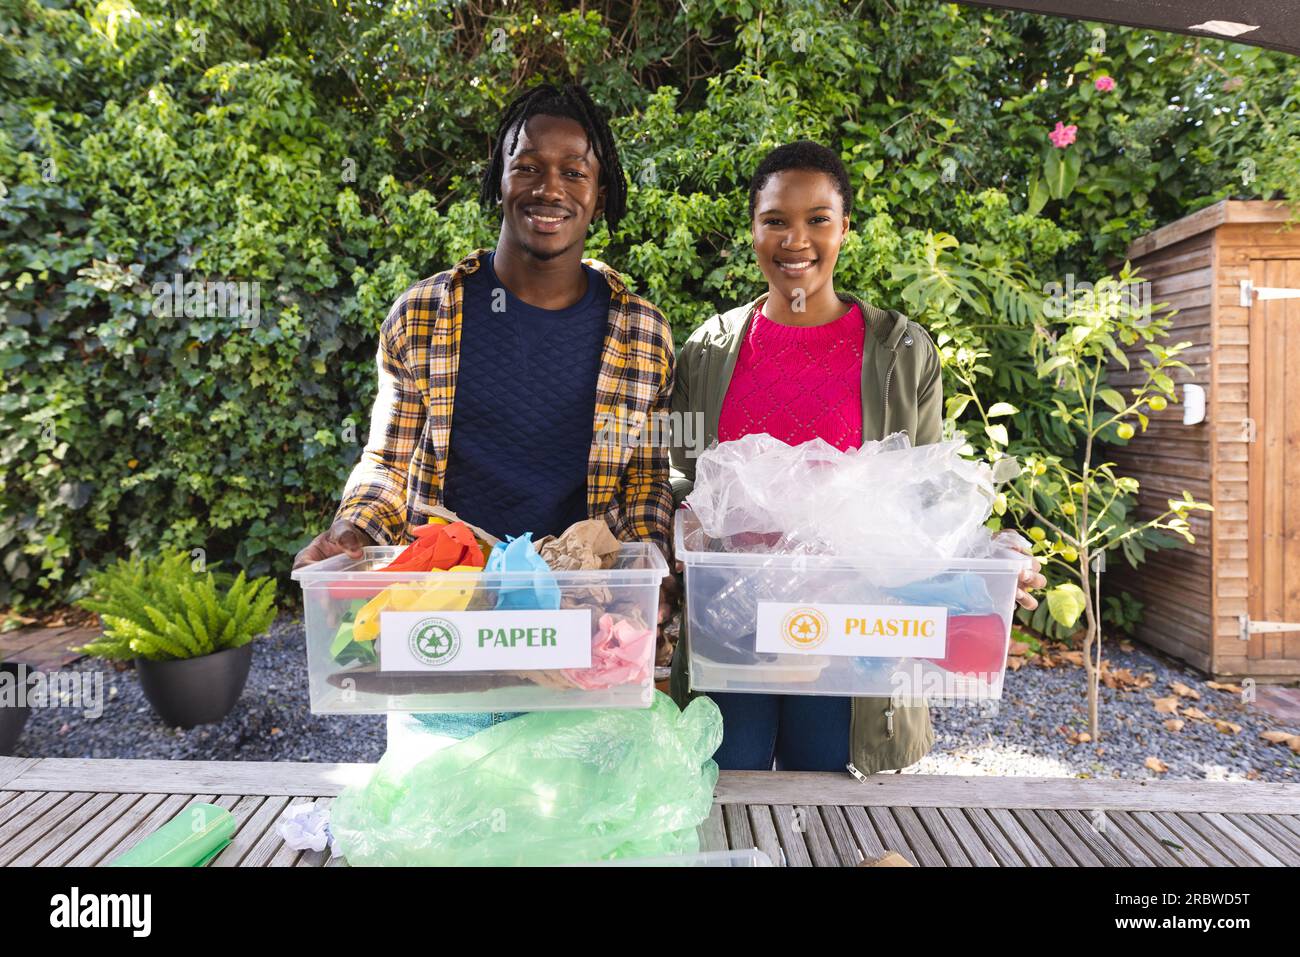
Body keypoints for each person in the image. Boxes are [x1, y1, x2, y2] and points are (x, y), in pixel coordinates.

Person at [294, 82, 676, 744]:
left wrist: (653, 561)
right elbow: (387, 457)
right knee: (447, 825)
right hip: (450, 628)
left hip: (578, 629)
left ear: (601, 192)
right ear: (497, 180)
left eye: (573, 170)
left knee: (574, 832)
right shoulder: (422, 316)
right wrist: (352, 532)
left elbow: (643, 483)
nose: (547, 187)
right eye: (526, 165)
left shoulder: (640, 331)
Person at [667, 141, 1046, 774]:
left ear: (845, 228)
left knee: (830, 804)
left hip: (855, 630)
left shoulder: (901, 352)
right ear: (752, 230)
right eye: (776, 220)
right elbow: (681, 477)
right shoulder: (709, 350)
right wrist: (679, 532)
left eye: (818, 218)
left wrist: (985, 562)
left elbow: (924, 498)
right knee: (724, 792)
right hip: (732, 625)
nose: (796, 239)